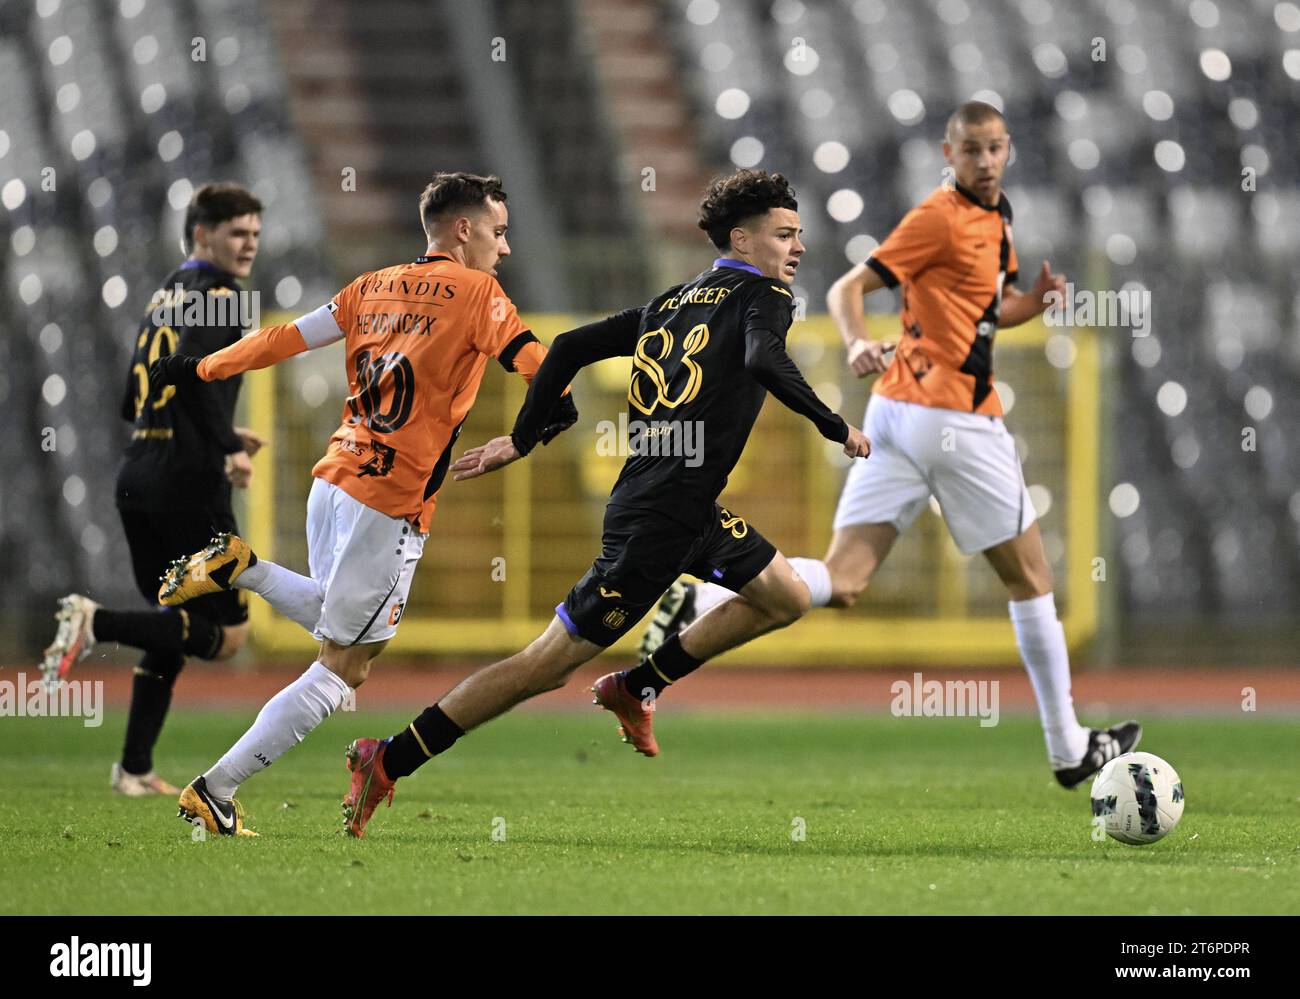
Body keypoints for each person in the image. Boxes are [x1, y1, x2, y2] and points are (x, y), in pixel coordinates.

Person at [340, 169, 871, 838]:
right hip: (662, 517)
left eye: (799, 236)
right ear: (743, 238)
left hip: (677, 502)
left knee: (787, 596)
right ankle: (389, 755)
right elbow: (764, 359)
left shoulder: (673, 302)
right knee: (545, 666)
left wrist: (525, 438)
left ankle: (639, 685)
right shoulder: (764, 294)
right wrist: (835, 425)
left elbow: (567, 348)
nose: (797, 248)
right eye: (784, 234)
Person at [640, 102, 1139, 789]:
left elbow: (987, 312)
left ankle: (692, 604)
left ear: (1009, 149)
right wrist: (853, 341)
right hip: (953, 417)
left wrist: (1034, 302)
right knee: (1031, 580)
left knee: (844, 582)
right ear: (948, 153)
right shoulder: (938, 216)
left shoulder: (998, 219)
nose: (986, 161)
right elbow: (852, 286)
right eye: (972, 150)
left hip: (900, 413)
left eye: (995, 148)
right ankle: (1068, 749)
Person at [149, 172, 576, 836]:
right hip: (391, 498)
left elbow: (282, 341)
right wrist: (538, 429)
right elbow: (539, 367)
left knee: (335, 629)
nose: (505, 248)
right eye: (499, 231)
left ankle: (245, 568)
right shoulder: (480, 293)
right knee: (347, 665)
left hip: (336, 476)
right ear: (462, 230)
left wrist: (200, 368)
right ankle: (215, 789)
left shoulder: (370, 285)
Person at [41, 182, 266, 797]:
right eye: (236, 233)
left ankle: (134, 769)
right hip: (187, 484)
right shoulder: (223, 296)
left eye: (254, 233)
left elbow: (129, 400)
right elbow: (193, 375)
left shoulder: (167, 293)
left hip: (139, 472)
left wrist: (220, 428)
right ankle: (98, 622)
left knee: (179, 618)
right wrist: (225, 449)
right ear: (201, 233)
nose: (249, 245)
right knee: (229, 637)